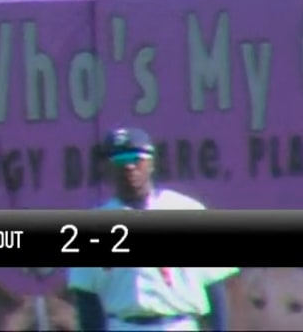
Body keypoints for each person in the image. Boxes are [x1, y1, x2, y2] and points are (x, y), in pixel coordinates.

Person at [66, 128, 236, 332]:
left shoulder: (186, 210)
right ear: (106, 169)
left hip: (179, 324)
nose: (128, 166)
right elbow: (87, 299)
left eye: (135, 158)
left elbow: (214, 286)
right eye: (119, 160)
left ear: (151, 163)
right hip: (123, 325)